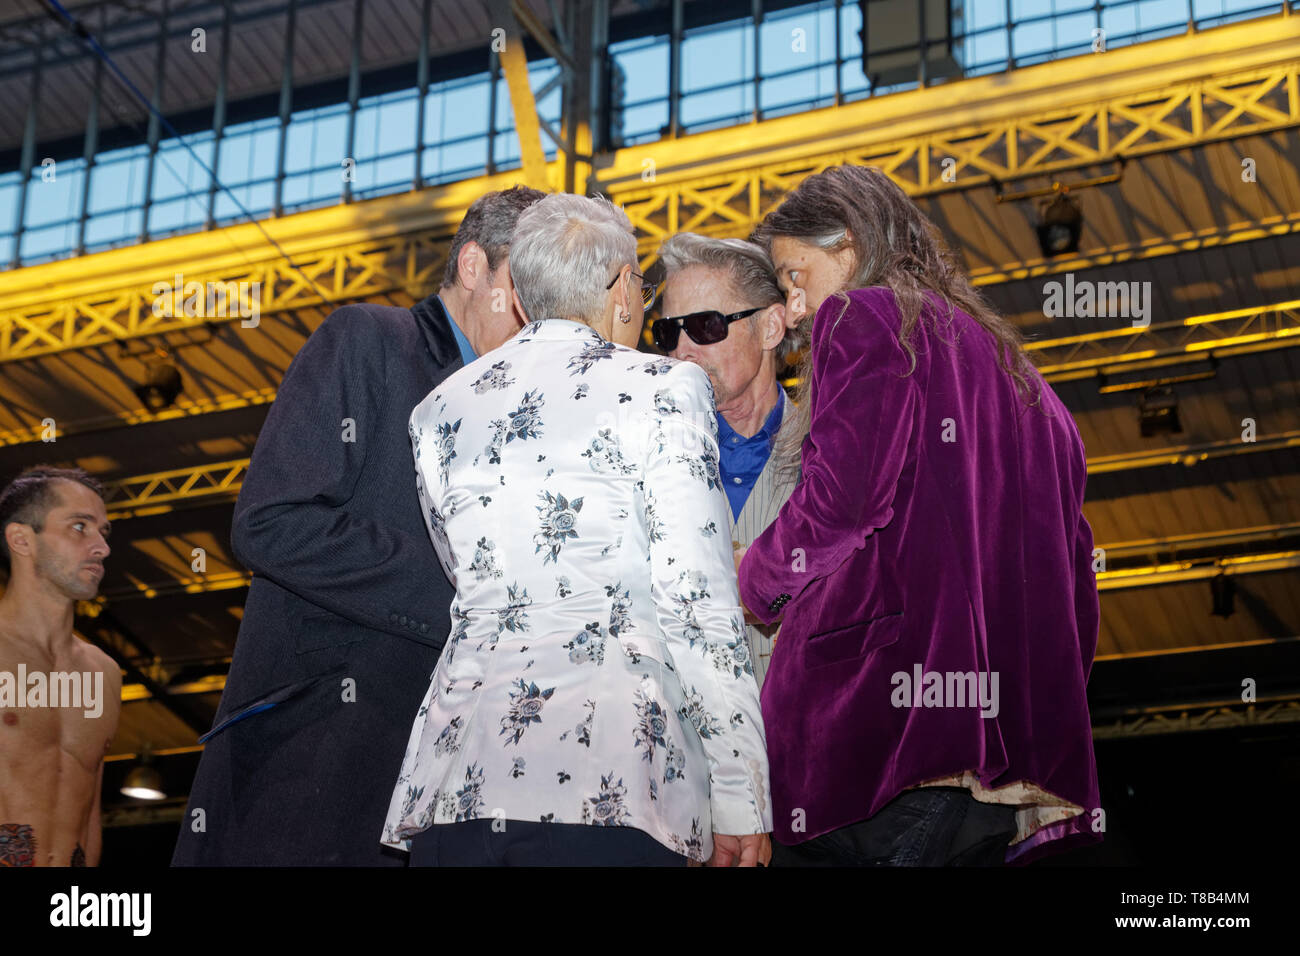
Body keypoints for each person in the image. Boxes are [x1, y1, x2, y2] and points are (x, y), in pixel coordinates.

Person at [382, 193, 773, 866]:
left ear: (525, 300)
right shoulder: (664, 389)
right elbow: (696, 605)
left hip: (458, 787)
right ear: (622, 289)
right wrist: (739, 795)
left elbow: (465, 582)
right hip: (613, 780)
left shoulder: (439, 411)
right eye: (642, 289)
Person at [738, 164, 1101, 866]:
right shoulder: (1029, 384)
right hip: (996, 760)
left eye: (794, 273)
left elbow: (843, 502)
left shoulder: (864, 317)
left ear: (847, 243)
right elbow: (1077, 585)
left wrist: (749, 579)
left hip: (874, 736)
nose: (796, 305)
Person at [173, 185, 545, 866]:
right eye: (531, 280)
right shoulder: (371, 339)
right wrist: (470, 600)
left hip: (446, 780)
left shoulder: (523, 411)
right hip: (317, 756)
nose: (543, 309)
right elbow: (273, 521)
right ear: (473, 268)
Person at [655, 233, 802, 691]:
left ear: (772, 328)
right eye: (667, 332)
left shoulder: (837, 457)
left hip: (811, 743)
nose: (681, 351)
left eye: (705, 326)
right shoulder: (643, 464)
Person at [0, 467, 121, 867]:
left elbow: (89, 817)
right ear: (21, 539)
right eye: (79, 527)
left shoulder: (102, 674)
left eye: (103, 532)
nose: (101, 547)